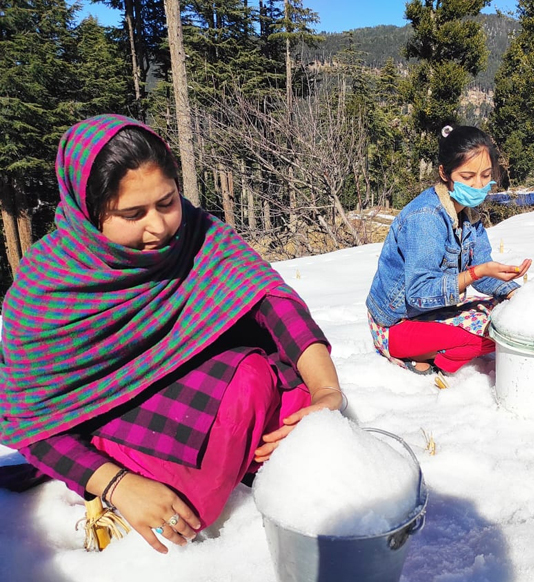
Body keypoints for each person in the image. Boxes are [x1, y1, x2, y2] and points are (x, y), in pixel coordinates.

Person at [0, 115, 344, 554]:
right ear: (88, 211)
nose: (159, 227)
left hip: (197, 387)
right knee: (212, 465)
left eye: (167, 202)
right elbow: (34, 422)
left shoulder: (196, 234)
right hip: (110, 419)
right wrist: (119, 486)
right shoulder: (45, 291)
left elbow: (270, 300)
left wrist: (327, 390)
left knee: (303, 416)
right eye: (132, 214)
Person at [366, 125, 531, 375]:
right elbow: (419, 294)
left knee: (510, 317)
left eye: (486, 175)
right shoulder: (426, 218)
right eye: (467, 177)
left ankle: (435, 350)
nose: (478, 185)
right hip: (397, 325)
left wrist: (512, 292)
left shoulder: (467, 213)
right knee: (494, 338)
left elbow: (482, 265)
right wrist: (476, 273)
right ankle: (426, 359)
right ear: (445, 173)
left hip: (434, 312)